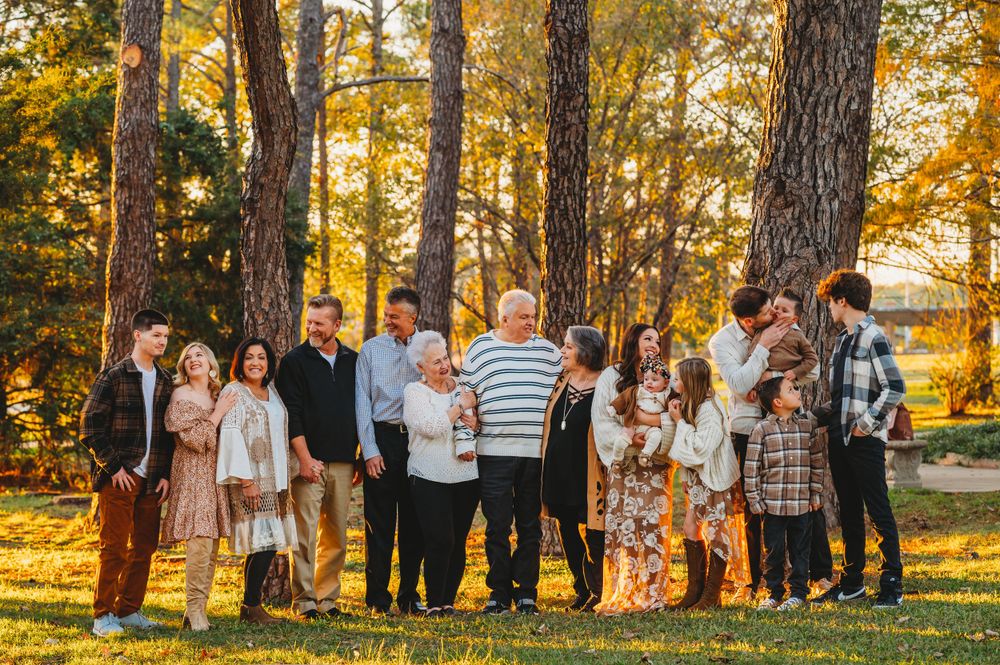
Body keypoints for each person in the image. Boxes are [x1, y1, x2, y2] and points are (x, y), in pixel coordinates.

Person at [708, 285, 820, 599]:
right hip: (747, 429)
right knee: (751, 507)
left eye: (773, 307)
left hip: (785, 426)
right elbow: (741, 384)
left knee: (799, 499)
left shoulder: (780, 325)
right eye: (766, 313)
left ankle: (812, 574)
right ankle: (752, 582)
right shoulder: (723, 342)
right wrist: (762, 349)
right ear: (748, 322)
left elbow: (814, 369)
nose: (774, 314)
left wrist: (771, 372)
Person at [460, 289, 563, 615]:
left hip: (535, 454)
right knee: (497, 526)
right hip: (493, 453)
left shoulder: (548, 352)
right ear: (504, 318)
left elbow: (570, 381)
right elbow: (465, 395)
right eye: (523, 317)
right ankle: (498, 594)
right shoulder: (481, 347)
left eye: (533, 316)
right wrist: (468, 427)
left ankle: (527, 593)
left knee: (530, 525)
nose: (531, 322)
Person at [813, 269, 906, 609]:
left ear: (842, 301)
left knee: (878, 511)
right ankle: (852, 583)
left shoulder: (873, 337)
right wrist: (812, 416)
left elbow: (894, 387)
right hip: (840, 439)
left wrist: (864, 425)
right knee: (850, 511)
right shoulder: (843, 340)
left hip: (864, 440)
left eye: (830, 303)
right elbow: (843, 398)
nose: (828, 309)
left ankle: (892, 583)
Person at [80, 309, 173, 637]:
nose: (162, 341)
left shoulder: (164, 380)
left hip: (152, 479)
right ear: (138, 335)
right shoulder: (115, 376)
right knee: (115, 547)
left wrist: (163, 474)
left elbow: (165, 434)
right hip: (121, 476)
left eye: (164, 336)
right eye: (156, 335)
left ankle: (130, 609)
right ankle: (102, 616)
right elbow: (89, 425)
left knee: (145, 546)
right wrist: (114, 466)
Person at [276, 295, 359, 621]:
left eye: (319, 323)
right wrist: (305, 459)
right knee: (305, 533)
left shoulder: (353, 359)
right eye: (309, 321)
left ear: (336, 325)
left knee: (336, 534)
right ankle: (306, 601)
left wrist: (360, 456)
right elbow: (291, 415)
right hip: (307, 462)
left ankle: (328, 600)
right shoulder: (295, 361)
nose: (311, 328)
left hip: (343, 461)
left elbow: (362, 409)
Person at [591, 323, 675, 615]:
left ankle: (653, 591)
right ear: (632, 342)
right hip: (625, 461)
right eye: (647, 338)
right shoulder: (612, 376)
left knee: (652, 525)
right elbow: (602, 419)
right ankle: (625, 588)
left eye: (657, 340)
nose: (653, 343)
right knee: (626, 525)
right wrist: (629, 440)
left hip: (654, 464)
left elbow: (676, 417)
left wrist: (649, 427)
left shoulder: (666, 376)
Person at [356, 286, 429, 615]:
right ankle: (377, 599)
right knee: (378, 525)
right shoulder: (370, 350)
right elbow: (362, 404)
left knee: (415, 523)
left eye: (394, 317)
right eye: (386, 315)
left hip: (418, 442)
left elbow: (444, 386)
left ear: (412, 318)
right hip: (382, 441)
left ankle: (409, 596)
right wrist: (369, 450)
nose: (388, 321)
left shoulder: (430, 347)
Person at [217, 338, 298, 625]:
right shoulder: (234, 392)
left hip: (276, 479)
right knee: (264, 542)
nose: (255, 363)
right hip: (252, 478)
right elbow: (230, 435)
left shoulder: (271, 391)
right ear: (240, 362)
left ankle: (250, 606)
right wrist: (246, 480)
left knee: (266, 542)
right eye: (249, 357)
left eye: (261, 357)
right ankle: (251, 606)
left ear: (268, 363)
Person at [402, 330, 480, 617]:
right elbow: (432, 427)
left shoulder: (462, 386)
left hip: (466, 475)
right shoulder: (415, 392)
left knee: (458, 540)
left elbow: (476, 425)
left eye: (445, 358)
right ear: (421, 367)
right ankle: (434, 603)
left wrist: (472, 420)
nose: (444, 365)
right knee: (439, 539)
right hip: (428, 476)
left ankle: (448, 602)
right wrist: (460, 408)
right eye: (435, 362)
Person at [161, 342, 237, 631]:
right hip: (192, 474)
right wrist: (217, 414)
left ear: (210, 363)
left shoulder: (218, 394)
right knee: (200, 541)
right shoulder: (181, 395)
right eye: (188, 356)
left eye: (199, 354)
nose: (194, 359)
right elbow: (195, 441)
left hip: (215, 476)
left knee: (212, 545)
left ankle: (197, 611)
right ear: (183, 367)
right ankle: (194, 609)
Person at [667, 357, 749, 610]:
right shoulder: (693, 404)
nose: (674, 381)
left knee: (717, 532)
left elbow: (699, 448)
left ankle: (712, 595)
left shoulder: (709, 411)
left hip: (716, 479)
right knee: (691, 528)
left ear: (690, 382)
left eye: (678, 378)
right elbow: (689, 451)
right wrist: (686, 476)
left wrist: (679, 422)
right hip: (701, 478)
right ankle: (695, 591)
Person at [541, 326, 607, 612]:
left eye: (568, 346)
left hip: (590, 472)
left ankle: (599, 589)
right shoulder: (558, 381)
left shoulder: (606, 383)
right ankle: (580, 588)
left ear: (586, 350)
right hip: (558, 469)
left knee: (595, 532)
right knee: (566, 527)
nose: (562, 351)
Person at [744, 376, 825, 612]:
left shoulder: (806, 427)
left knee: (801, 550)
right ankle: (774, 593)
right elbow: (751, 468)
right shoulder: (762, 430)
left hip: (801, 504)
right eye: (791, 390)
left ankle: (798, 593)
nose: (797, 392)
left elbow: (816, 462)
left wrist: (815, 494)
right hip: (773, 505)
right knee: (774, 552)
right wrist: (754, 499)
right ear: (778, 402)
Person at [607, 353, 671, 463]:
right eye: (646, 379)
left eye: (654, 380)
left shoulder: (667, 395)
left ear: (666, 383)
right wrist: (614, 407)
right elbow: (624, 398)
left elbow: (675, 403)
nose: (649, 382)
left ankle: (645, 454)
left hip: (651, 428)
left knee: (657, 435)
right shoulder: (638, 390)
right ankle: (617, 459)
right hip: (633, 424)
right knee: (622, 439)